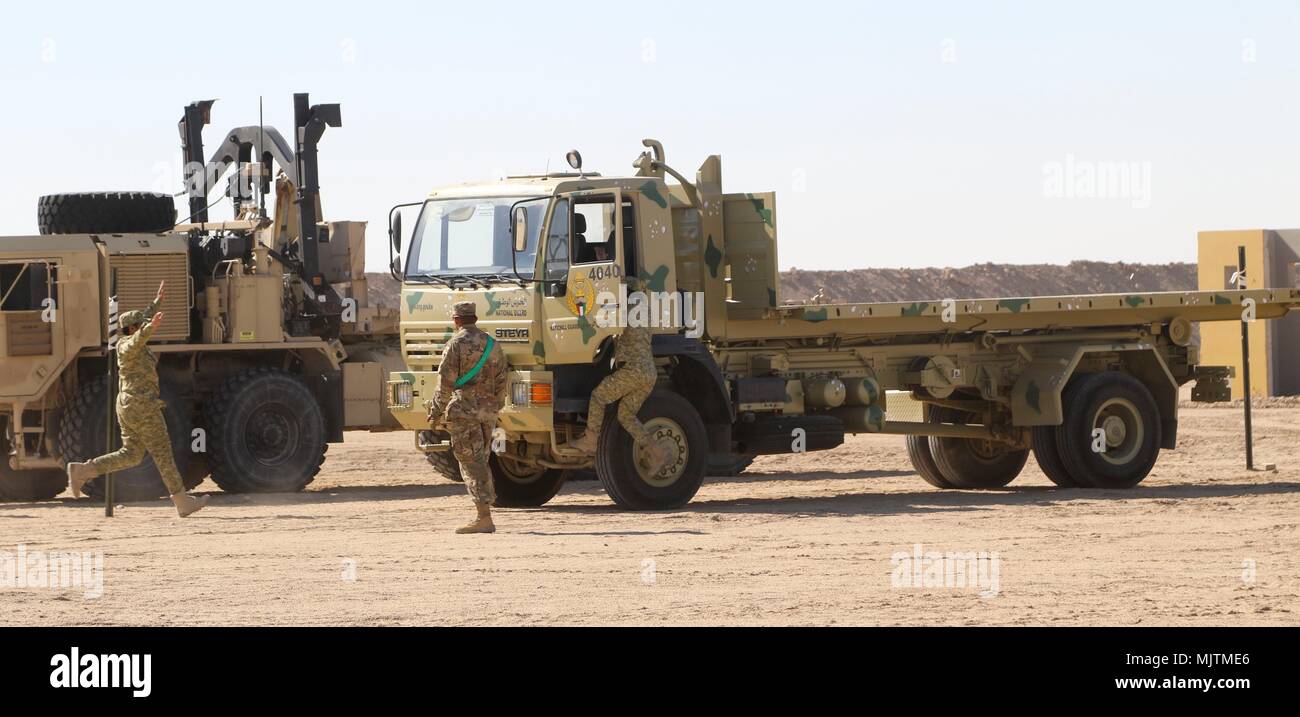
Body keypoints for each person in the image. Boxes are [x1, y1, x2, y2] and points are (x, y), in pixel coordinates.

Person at [66, 281, 208, 517]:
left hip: (129, 406)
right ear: (133, 329)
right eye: (140, 325)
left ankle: (83, 471)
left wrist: (157, 301)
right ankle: (182, 502)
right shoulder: (127, 346)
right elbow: (137, 338)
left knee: (131, 455)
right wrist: (150, 327)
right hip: (142, 407)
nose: (143, 324)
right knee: (163, 454)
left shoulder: (132, 338)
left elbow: (142, 318)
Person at [571, 279, 673, 475]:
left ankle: (591, 441)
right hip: (648, 372)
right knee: (626, 416)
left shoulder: (626, 309)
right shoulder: (645, 311)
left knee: (599, 396)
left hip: (633, 370)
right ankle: (656, 451)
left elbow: (603, 324)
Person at [427, 301, 508, 534]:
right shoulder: (493, 344)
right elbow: (503, 378)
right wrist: (496, 405)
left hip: (465, 410)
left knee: (471, 461)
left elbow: (445, 383)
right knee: (481, 458)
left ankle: (484, 517)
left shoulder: (455, 344)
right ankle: (484, 511)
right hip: (488, 410)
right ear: (475, 318)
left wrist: (435, 411)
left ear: (456, 320)